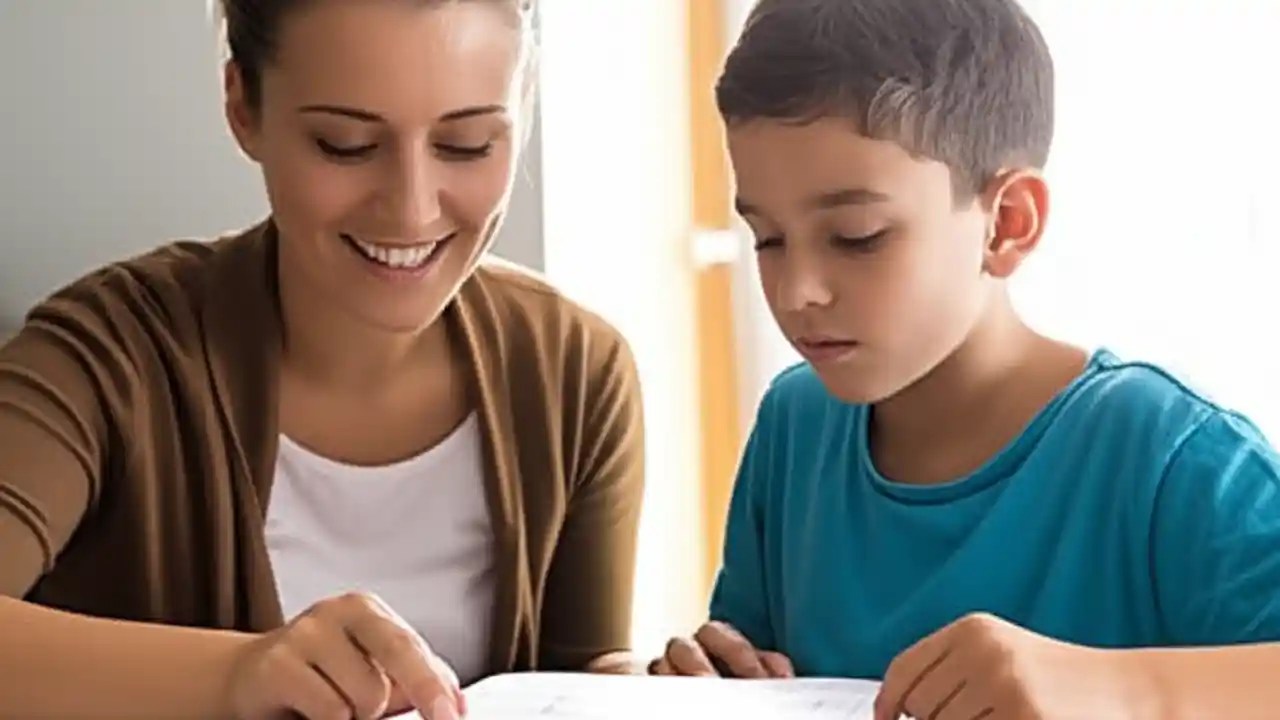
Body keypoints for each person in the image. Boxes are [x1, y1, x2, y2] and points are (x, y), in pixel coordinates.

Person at [0, 1, 646, 718]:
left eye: (466, 144)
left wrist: (670, 688)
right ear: (243, 105)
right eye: (345, 144)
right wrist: (237, 674)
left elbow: (576, 678)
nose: (411, 209)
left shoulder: (577, 372)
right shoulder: (107, 355)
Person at [651, 0, 1280, 717]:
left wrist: (1122, 688)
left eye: (856, 237)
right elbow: (761, 675)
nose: (797, 292)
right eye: (766, 239)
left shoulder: (1174, 457)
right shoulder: (795, 424)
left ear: (1007, 224)